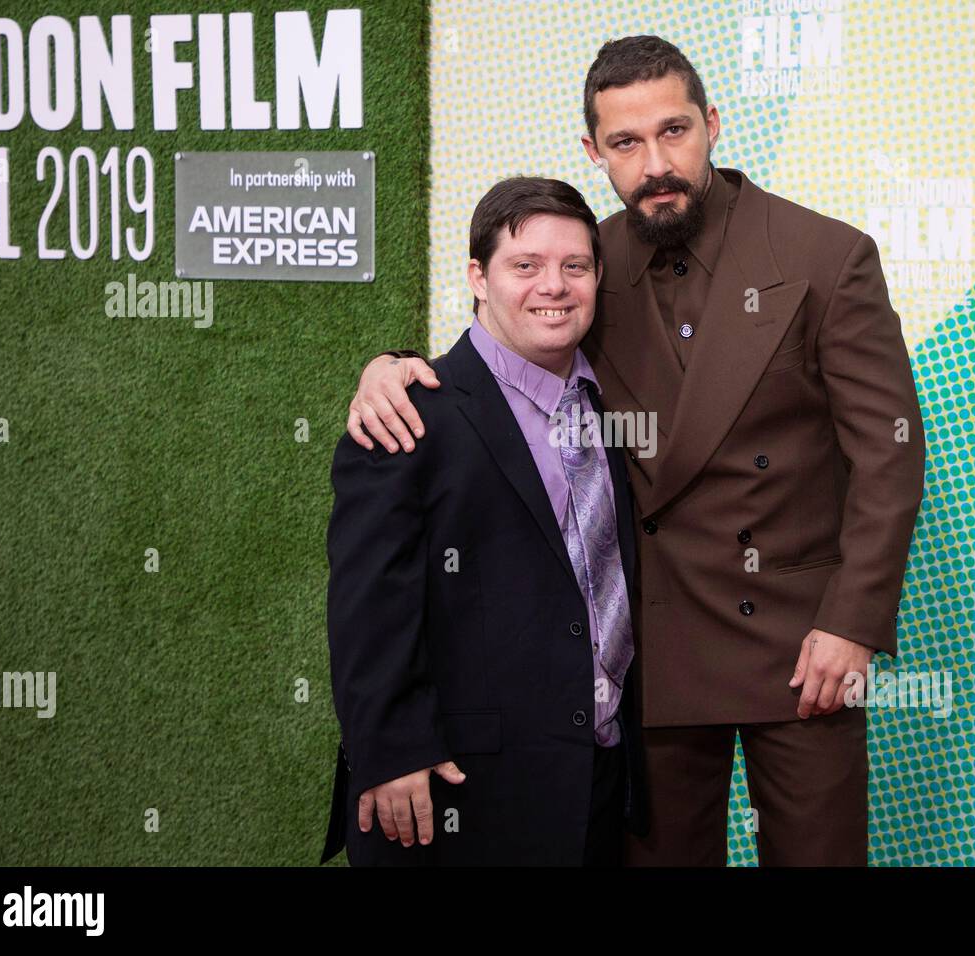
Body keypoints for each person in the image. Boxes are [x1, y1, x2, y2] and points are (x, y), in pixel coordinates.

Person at [345, 35, 925, 866]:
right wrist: (394, 367)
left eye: (674, 132)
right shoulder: (585, 262)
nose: (656, 163)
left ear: (713, 125)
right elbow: (494, 358)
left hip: (804, 649)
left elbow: (889, 454)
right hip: (649, 650)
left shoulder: (824, 257)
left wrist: (853, 623)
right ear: (593, 152)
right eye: (626, 143)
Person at [320, 176, 647, 866]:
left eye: (575, 266)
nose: (552, 286)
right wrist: (391, 749)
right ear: (478, 276)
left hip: (596, 785)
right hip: (459, 792)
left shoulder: (608, 410)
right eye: (524, 266)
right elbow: (367, 602)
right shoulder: (408, 412)